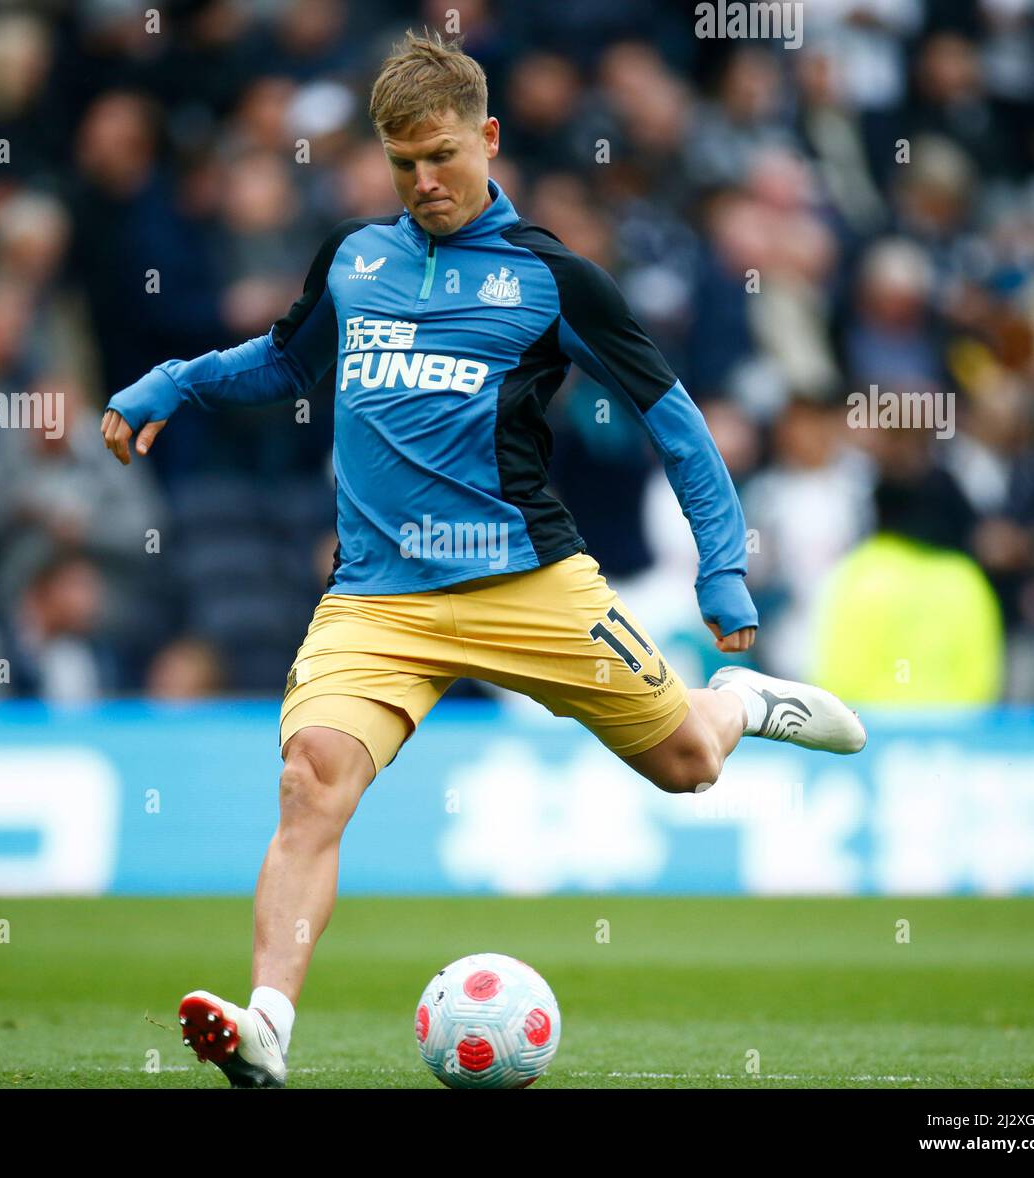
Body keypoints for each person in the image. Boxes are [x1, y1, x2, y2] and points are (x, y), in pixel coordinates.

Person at [100, 32, 866, 1089]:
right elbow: (280, 359)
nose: (423, 182)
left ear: (488, 138)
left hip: (527, 584)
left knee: (688, 762)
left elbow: (676, 421)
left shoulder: (553, 277)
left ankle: (736, 699)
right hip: (376, 598)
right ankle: (269, 1019)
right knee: (309, 778)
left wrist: (721, 572)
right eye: (402, 162)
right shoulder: (353, 259)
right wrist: (173, 382)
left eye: (443, 156)